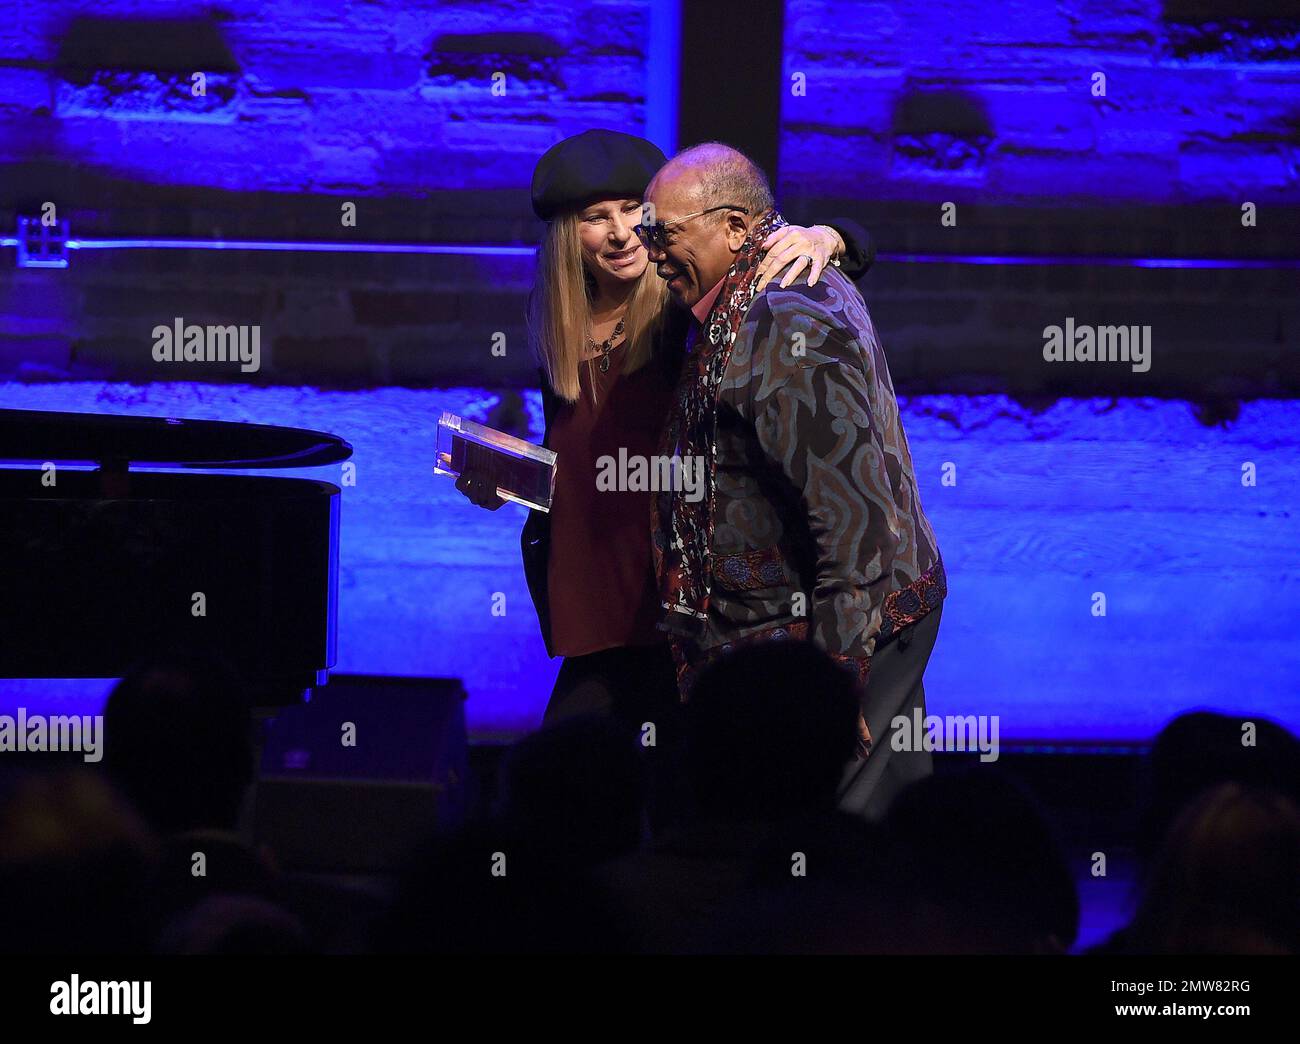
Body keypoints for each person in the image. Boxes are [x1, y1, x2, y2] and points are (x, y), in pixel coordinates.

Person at [455, 130, 874, 760]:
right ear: (570, 236)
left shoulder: (684, 306)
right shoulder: (558, 327)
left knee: (681, 767)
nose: (621, 233)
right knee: (577, 767)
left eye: (634, 213)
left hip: (673, 583)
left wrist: (831, 236)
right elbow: (576, 457)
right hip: (592, 579)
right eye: (597, 219)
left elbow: (830, 251)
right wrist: (509, 485)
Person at [642, 141, 946, 820]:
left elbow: (853, 522)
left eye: (665, 233)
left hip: (835, 631)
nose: (651, 249)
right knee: (887, 829)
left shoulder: (785, 318)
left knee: (813, 838)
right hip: (805, 625)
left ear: (735, 229)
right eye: (647, 229)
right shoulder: (742, 292)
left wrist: (835, 689)